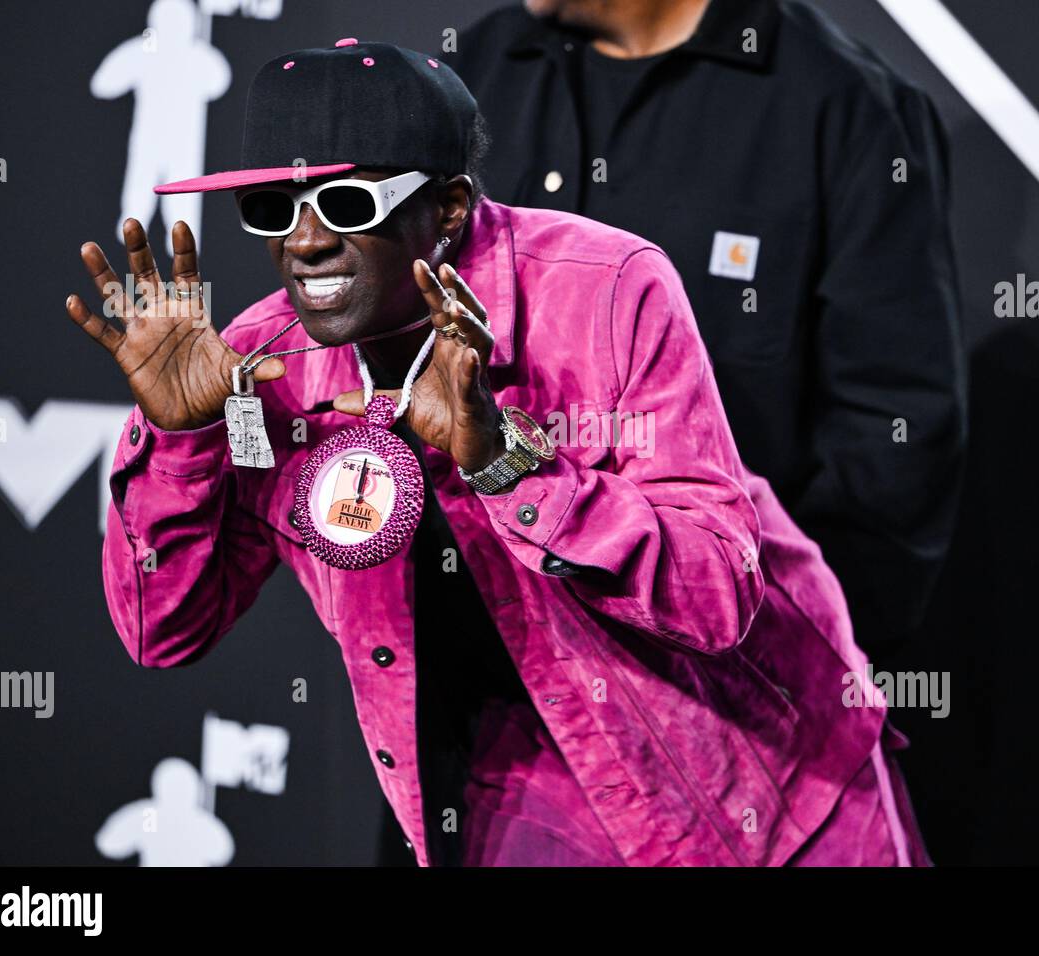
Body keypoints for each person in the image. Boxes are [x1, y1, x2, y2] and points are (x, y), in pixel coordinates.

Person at [66, 37, 929, 866]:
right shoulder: (259, 371)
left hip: (769, 788)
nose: (305, 242)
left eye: (347, 203)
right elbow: (163, 633)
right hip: (515, 808)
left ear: (446, 209)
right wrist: (183, 443)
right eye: (274, 209)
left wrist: (504, 463)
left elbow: (716, 596)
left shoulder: (609, 290)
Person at [444, 0, 966, 656]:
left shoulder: (845, 108)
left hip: (718, 680)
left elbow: (895, 430)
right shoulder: (466, 75)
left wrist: (786, 650)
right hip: (485, 664)